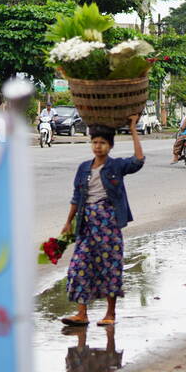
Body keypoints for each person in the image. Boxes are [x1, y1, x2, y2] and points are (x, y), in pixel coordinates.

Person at [59, 115, 144, 326]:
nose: (98, 146)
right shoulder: (84, 168)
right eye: (95, 142)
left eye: (102, 143)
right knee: (79, 266)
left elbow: (138, 160)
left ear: (110, 146)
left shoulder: (116, 167)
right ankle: (81, 313)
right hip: (86, 224)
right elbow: (77, 197)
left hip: (109, 224)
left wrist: (133, 128)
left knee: (110, 266)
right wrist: (68, 221)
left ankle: (110, 314)